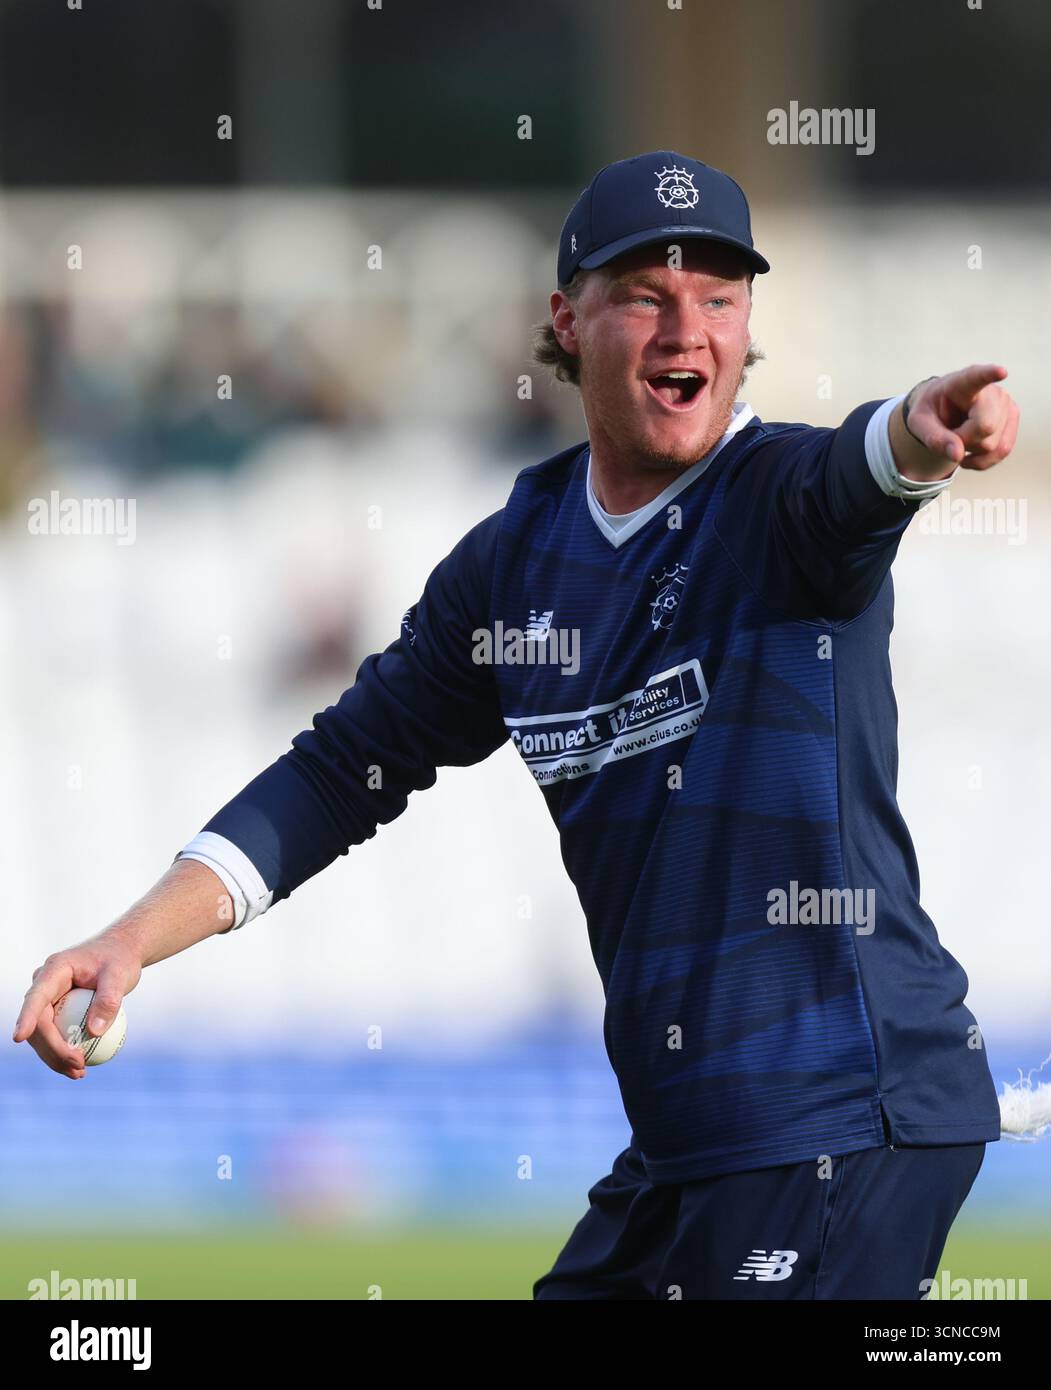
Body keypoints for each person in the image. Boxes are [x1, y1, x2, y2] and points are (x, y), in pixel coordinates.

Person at [14, 151, 1020, 1299]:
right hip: (691, 1142)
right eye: (644, 294)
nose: (686, 328)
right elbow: (345, 768)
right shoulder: (515, 560)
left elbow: (861, 471)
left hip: (842, 1114)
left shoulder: (779, 500)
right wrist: (130, 938)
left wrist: (924, 428)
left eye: (721, 296)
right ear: (567, 317)